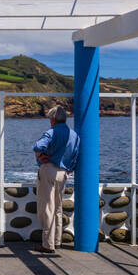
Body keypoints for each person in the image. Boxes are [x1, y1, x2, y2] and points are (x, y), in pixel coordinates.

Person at [31, 104, 80, 255]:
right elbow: (75, 156)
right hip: (64, 173)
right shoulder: (74, 135)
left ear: (53, 119)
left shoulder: (51, 132)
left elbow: (38, 146)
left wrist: (40, 156)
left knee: (47, 207)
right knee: (58, 207)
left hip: (49, 170)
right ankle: (57, 240)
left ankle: (48, 244)